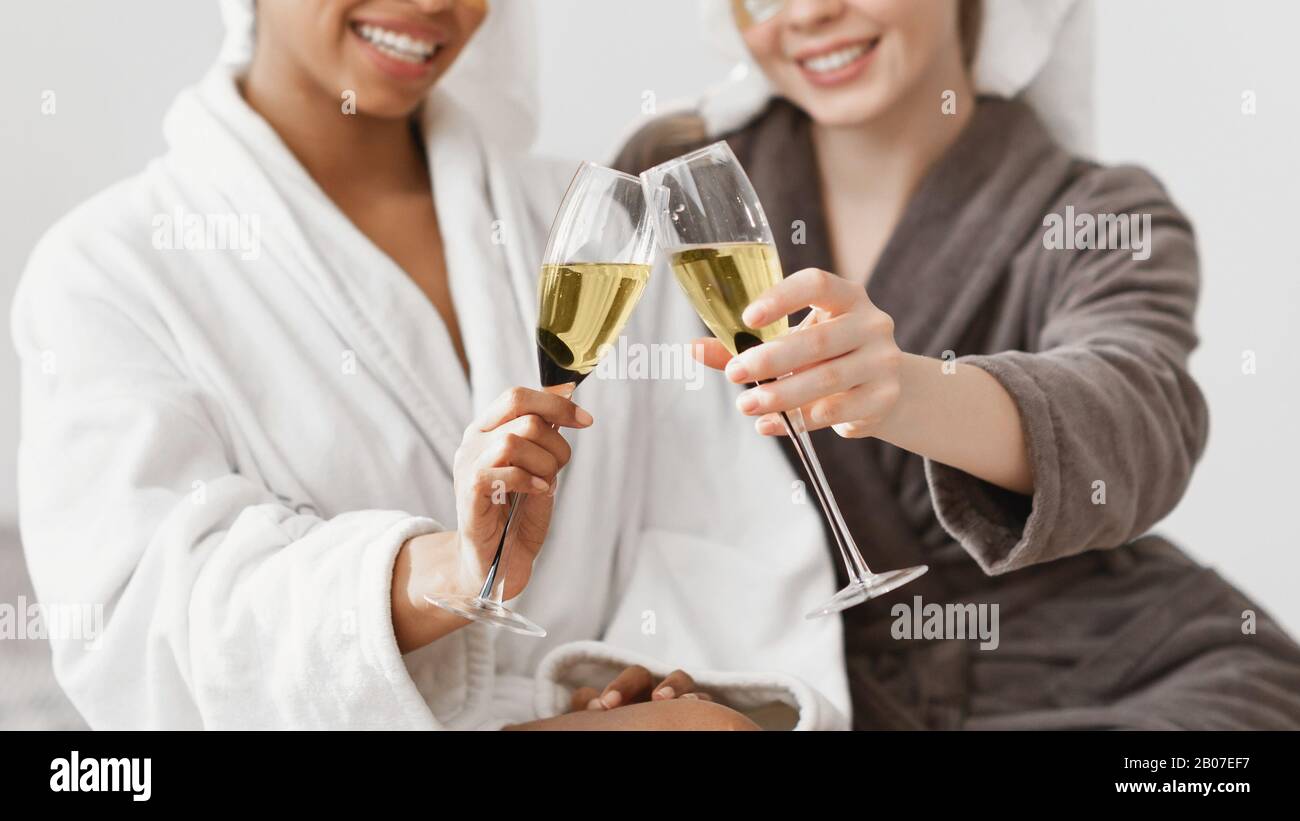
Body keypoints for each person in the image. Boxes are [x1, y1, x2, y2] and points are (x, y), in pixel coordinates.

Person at [12, 0, 851, 730]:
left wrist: (645, 682)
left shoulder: (592, 221)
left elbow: (722, 524)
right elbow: (147, 622)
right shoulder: (109, 268)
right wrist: (446, 571)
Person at [615, 0, 1300, 729]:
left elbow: (1142, 414)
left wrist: (905, 390)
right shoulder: (672, 182)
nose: (811, 11)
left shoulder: (1100, 211)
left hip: (1111, 672)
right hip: (803, 682)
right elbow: (601, 476)